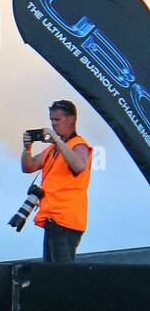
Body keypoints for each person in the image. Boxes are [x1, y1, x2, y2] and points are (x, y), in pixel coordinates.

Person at [21, 100, 92, 264]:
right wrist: (27, 148)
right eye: (51, 120)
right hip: (52, 219)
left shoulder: (79, 144)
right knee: (52, 272)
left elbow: (80, 165)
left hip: (66, 220)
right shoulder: (53, 149)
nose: (53, 124)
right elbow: (28, 167)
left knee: (62, 274)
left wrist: (57, 141)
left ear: (71, 119)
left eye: (57, 120)